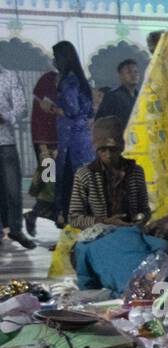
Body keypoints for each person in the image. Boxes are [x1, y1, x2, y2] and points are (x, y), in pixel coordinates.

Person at [67, 116, 167, 293]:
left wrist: (140, 219)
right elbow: (75, 218)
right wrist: (106, 222)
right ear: (96, 149)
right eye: (102, 150)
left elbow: (144, 209)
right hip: (99, 237)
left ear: (121, 147)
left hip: (131, 233)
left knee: (165, 247)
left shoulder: (135, 172)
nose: (108, 155)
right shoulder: (85, 175)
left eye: (112, 149)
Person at [51, 41, 95, 228]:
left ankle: (71, 229)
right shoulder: (80, 80)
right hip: (84, 141)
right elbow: (88, 111)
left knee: (70, 186)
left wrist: (53, 108)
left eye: (56, 57)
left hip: (71, 143)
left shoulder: (68, 81)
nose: (54, 61)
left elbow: (72, 109)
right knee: (84, 184)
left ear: (63, 59)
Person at [0, 63, 34, 250]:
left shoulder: (9, 76)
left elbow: (21, 107)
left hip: (6, 142)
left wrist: (5, 117)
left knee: (13, 190)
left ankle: (15, 229)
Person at [26, 69, 58, 238]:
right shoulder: (48, 80)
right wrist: (44, 147)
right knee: (49, 182)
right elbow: (41, 117)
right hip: (47, 144)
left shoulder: (67, 82)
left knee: (52, 183)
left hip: (61, 143)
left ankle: (35, 214)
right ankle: (36, 214)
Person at [95, 60, 140, 131]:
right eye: (129, 72)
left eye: (136, 72)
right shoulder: (112, 97)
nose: (133, 75)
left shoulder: (141, 97)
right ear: (121, 76)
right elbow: (101, 122)